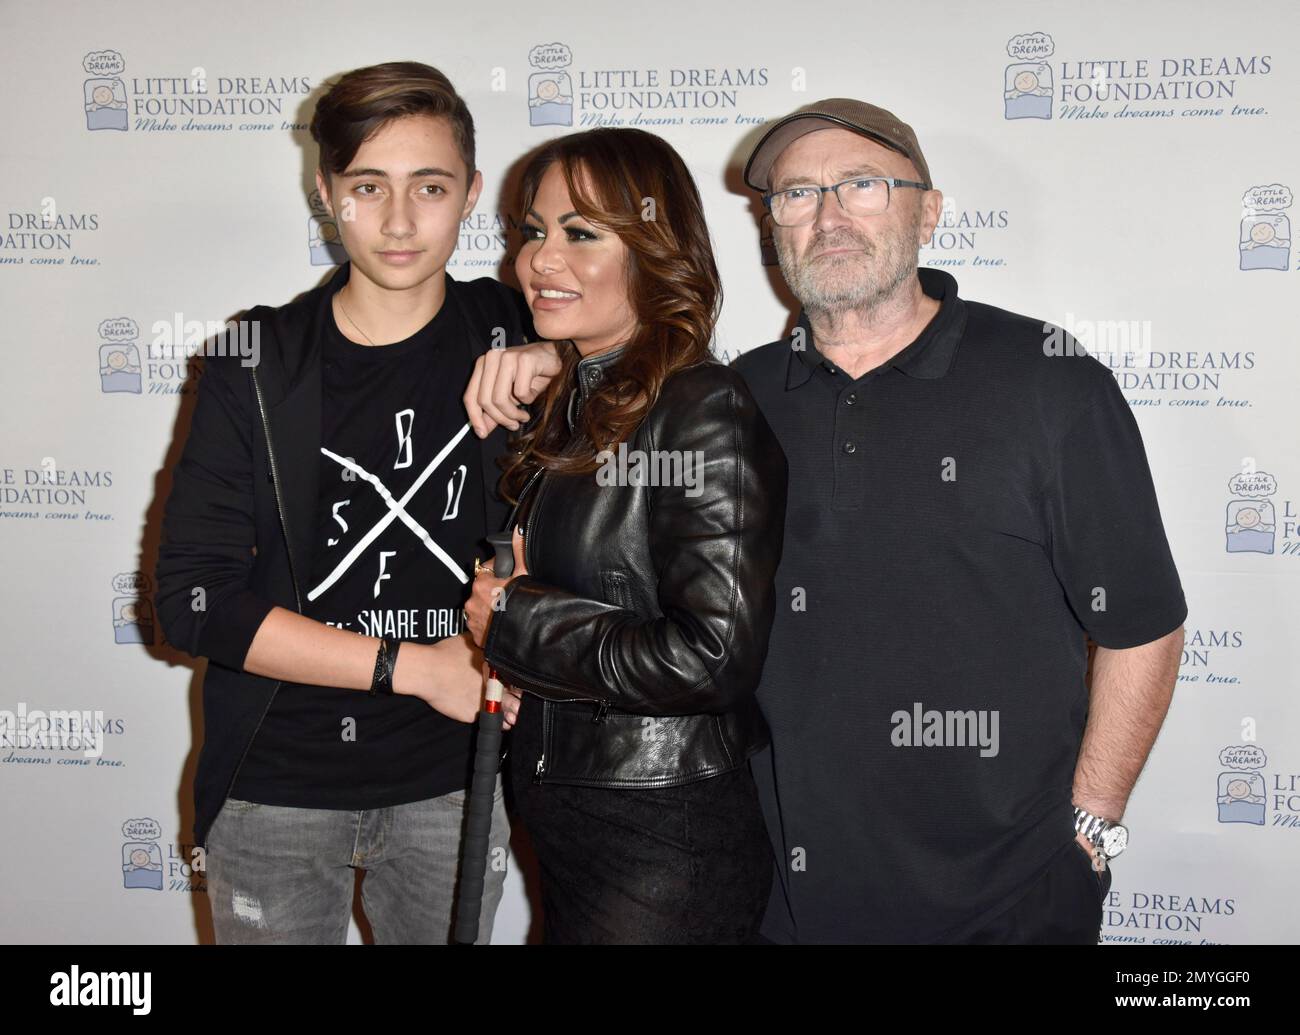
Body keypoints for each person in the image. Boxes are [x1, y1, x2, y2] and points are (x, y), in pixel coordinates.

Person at [466, 99, 1187, 945]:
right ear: (771, 226)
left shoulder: (1049, 384)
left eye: (863, 185)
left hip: (1010, 901)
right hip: (780, 899)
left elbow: (1143, 625)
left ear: (930, 209)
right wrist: (557, 358)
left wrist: (1093, 825)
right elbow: (636, 391)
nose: (829, 215)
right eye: (797, 194)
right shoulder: (743, 393)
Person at [154, 62, 527, 944]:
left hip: (460, 777)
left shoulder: (518, 329)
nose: (399, 221)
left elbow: (665, 365)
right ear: (325, 192)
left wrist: (559, 359)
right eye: (368, 186)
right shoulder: (255, 355)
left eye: (429, 187)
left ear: (471, 192)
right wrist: (413, 667)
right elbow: (192, 599)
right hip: (276, 780)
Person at [462, 127, 788, 944]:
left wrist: (513, 620)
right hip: (576, 820)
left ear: (652, 246)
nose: (540, 259)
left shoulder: (701, 408)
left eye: (581, 232)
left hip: (662, 837)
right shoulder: (582, 400)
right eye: (533, 230)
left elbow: (709, 655)